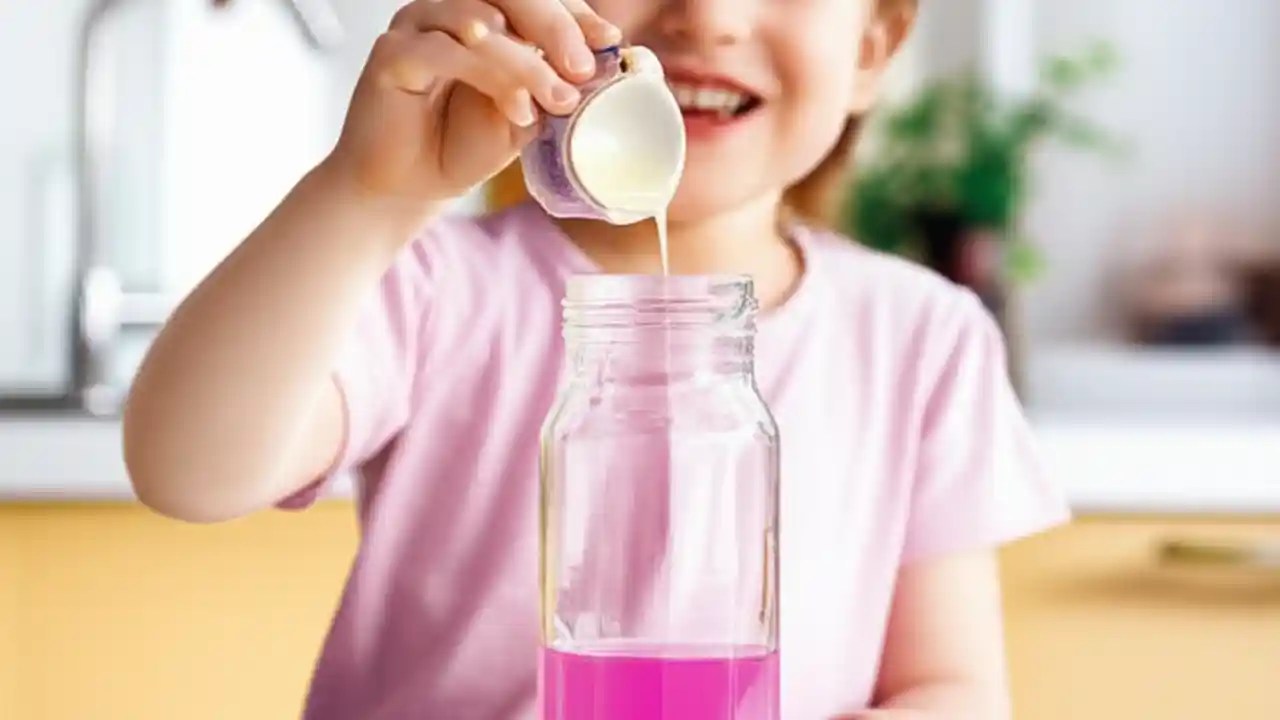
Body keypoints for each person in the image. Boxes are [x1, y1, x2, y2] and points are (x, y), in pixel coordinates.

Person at [122, 0, 1069, 717]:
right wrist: (367, 197)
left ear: (870, 51)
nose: (708, 15)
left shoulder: (921, 337)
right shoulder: (430, 284)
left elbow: (950, 687)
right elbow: (190, 472)